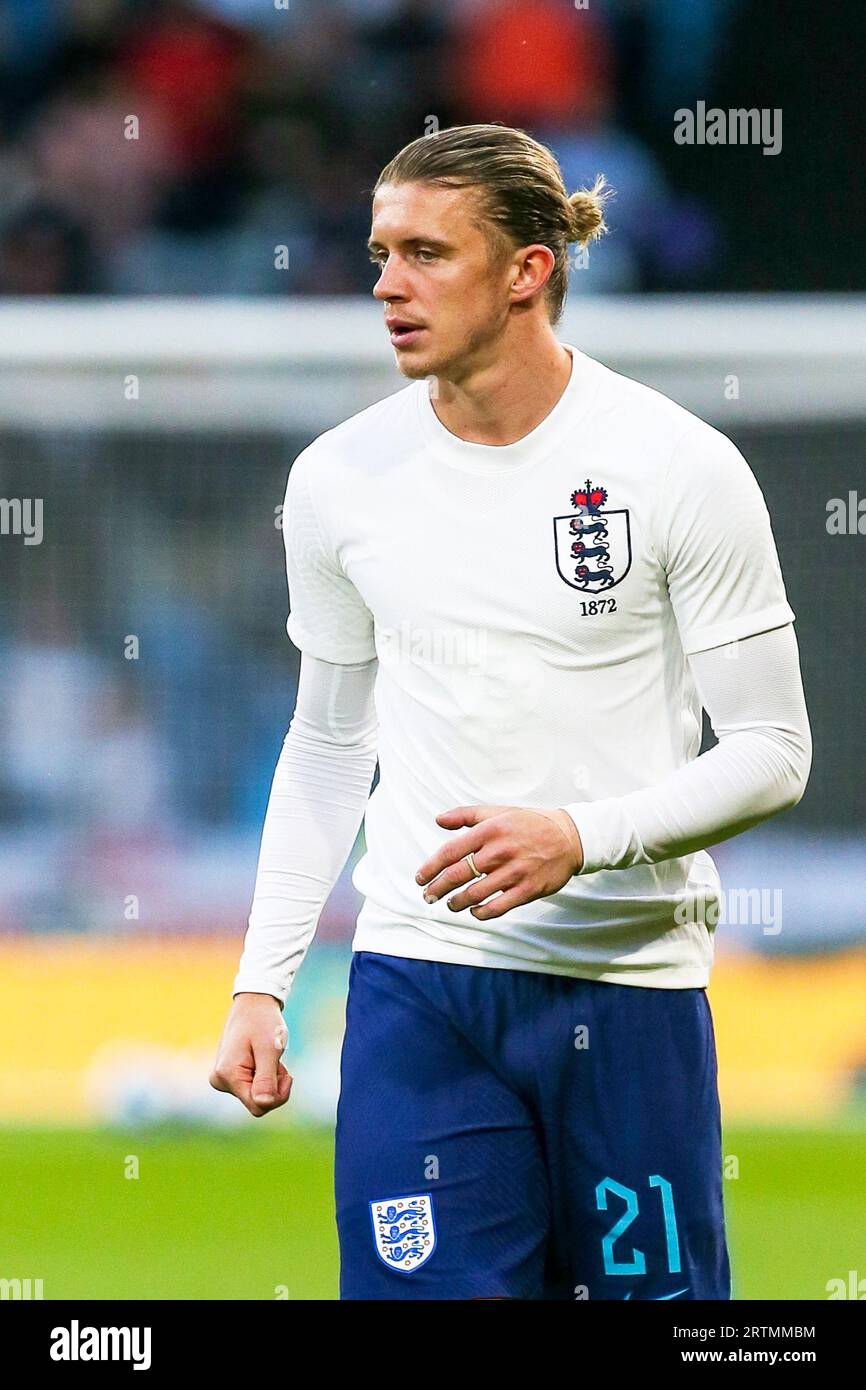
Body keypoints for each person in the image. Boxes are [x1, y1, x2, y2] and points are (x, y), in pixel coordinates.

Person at [210, 123, 812, 1300]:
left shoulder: (675, 467)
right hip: (420, 986)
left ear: (528, 271)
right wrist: (259, 980)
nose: (386, 284)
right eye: (380, 252)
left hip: (627, 989)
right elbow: (330, 742)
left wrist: (579, 836)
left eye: (427, 253)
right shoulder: (338, 480)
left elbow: (772, 752)